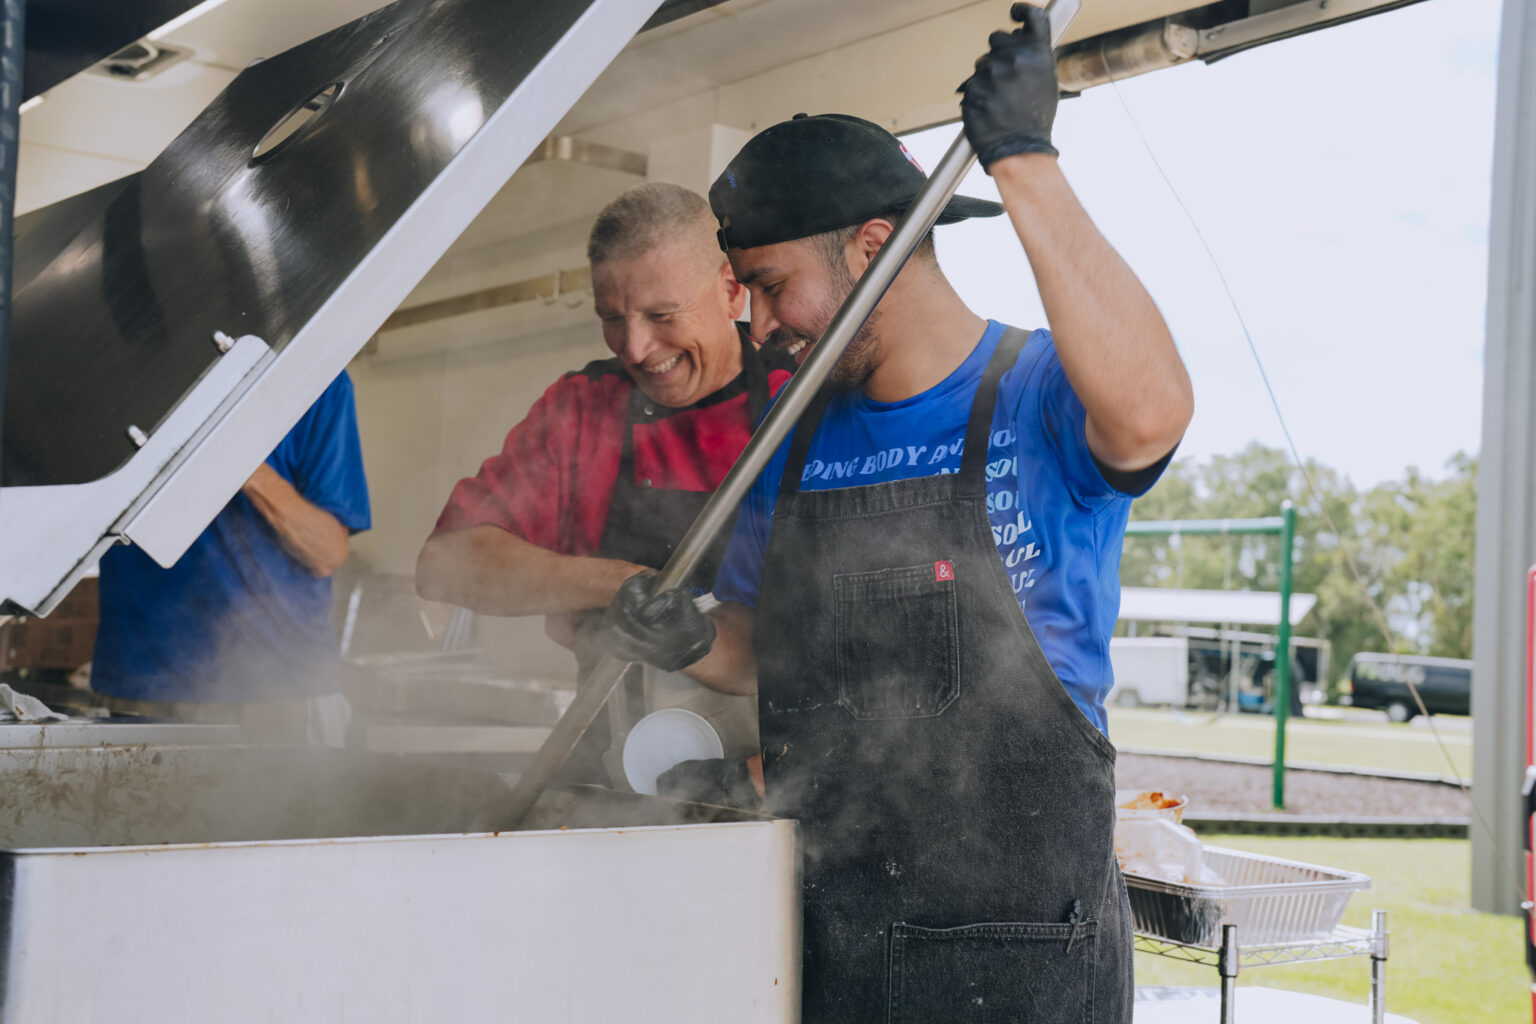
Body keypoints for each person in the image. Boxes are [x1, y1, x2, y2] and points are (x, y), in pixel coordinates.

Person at [602, 8, 1194, 1022]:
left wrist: (1025, 161)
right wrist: (692, 634)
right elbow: (760, 652)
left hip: (1017, 963)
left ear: (875, 246)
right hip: (826, 946)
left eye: (773, 284)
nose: (759, 321)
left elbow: (1150, 412)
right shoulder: (790, 442)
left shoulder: (1035, 394)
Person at [416, 182, 791, 785]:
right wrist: (619, 584)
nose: (636, 348)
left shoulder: (799, 403)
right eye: (611, 319)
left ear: (729, 291)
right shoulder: (584, 407)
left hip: (766, 772)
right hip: (604, 763)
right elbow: (443, 564)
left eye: (662, 316)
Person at [91, 372, 371, 746]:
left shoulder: (318, 373)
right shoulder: (120, 371)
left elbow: (327, 552)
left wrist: (236, 455)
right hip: (143, 678)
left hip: (277, 683)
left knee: (280, 805)